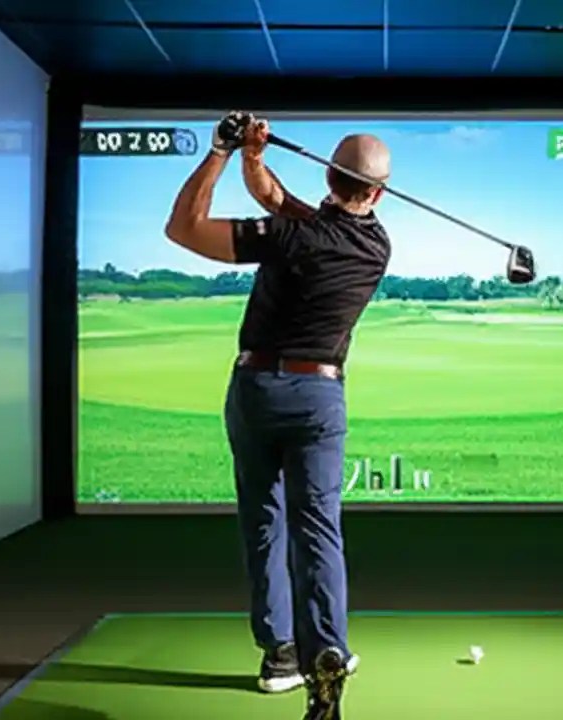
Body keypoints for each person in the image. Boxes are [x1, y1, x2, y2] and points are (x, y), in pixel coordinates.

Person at [163, 111, 392, 720]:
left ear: (328, 174)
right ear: (378, 192)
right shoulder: (375, 244)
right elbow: (277, 198)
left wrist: (219, 150)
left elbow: (183, 229)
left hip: (256, 390)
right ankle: (328, 659)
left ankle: (280, 657)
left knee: (263, 523)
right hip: (319, 399)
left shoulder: (291, 236)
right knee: (318, 532)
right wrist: (254, 158)